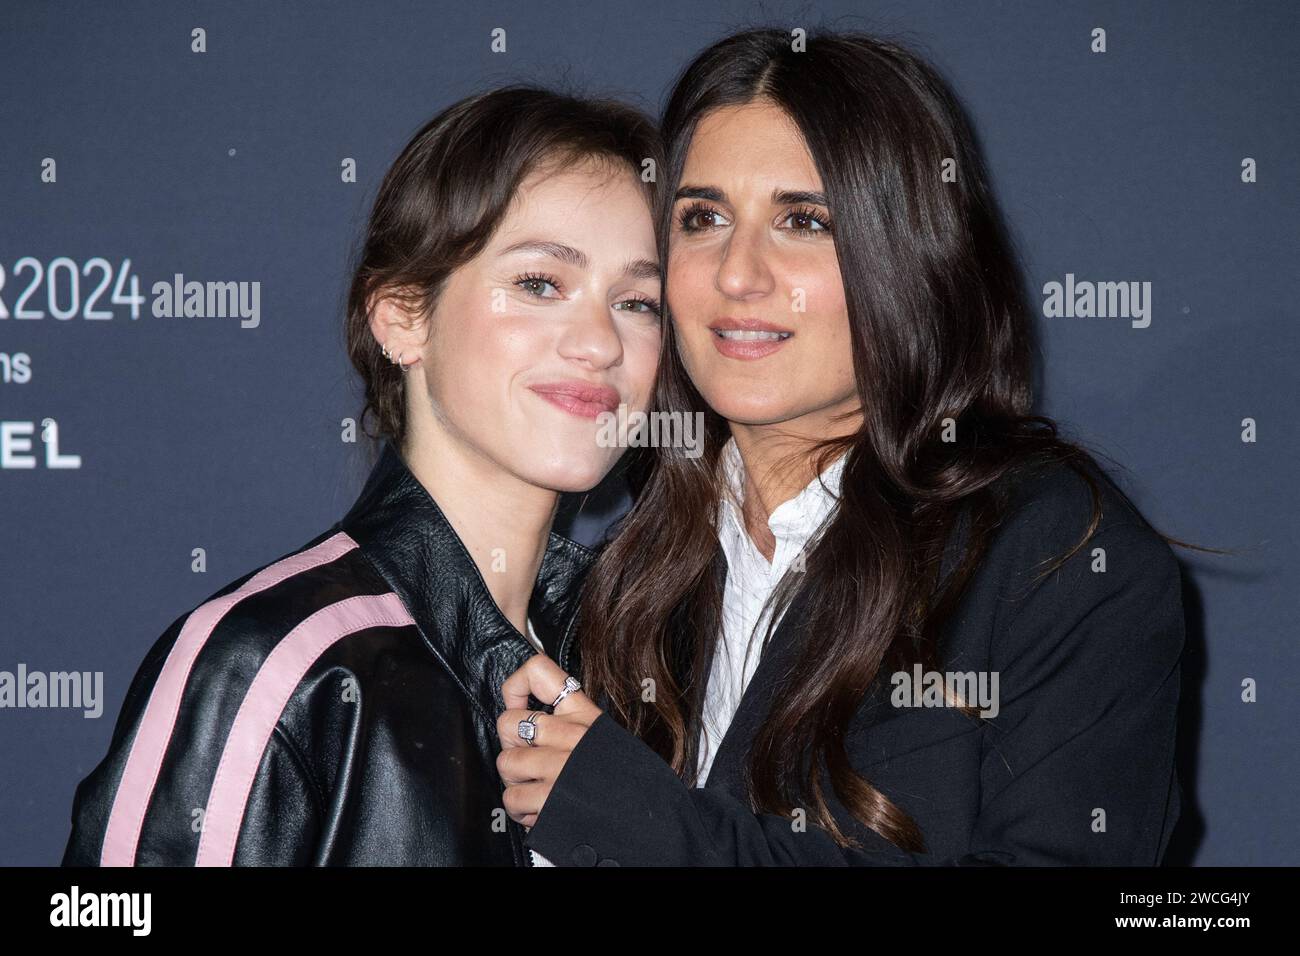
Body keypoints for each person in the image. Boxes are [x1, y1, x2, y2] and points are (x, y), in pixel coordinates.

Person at [496, 29, 1209, 866]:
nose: (737, 273)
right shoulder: (627, 583)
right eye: (703, 217)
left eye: (803, 220)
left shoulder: (1057, 557)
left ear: (908, 256)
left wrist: (655, 829)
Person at [60, 85, 662, 866]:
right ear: (403, 316)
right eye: (540, 284)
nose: (599, 342)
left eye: (638, 301)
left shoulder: (648, 671)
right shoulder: (269, 664)